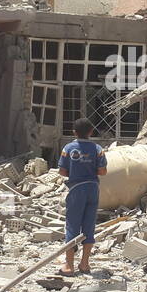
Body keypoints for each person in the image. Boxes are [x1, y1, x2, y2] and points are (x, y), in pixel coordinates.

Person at [58, 117, 107, 274]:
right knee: (89, 226)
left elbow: (62, 171)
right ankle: (84, 264)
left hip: (76, 189)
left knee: (72, 226)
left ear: (74, 132)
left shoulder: (68, 148)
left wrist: (76, 169)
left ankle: (69, 266)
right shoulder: (98, 149)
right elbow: (103, 171)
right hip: (93, 189)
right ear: (91, 132)